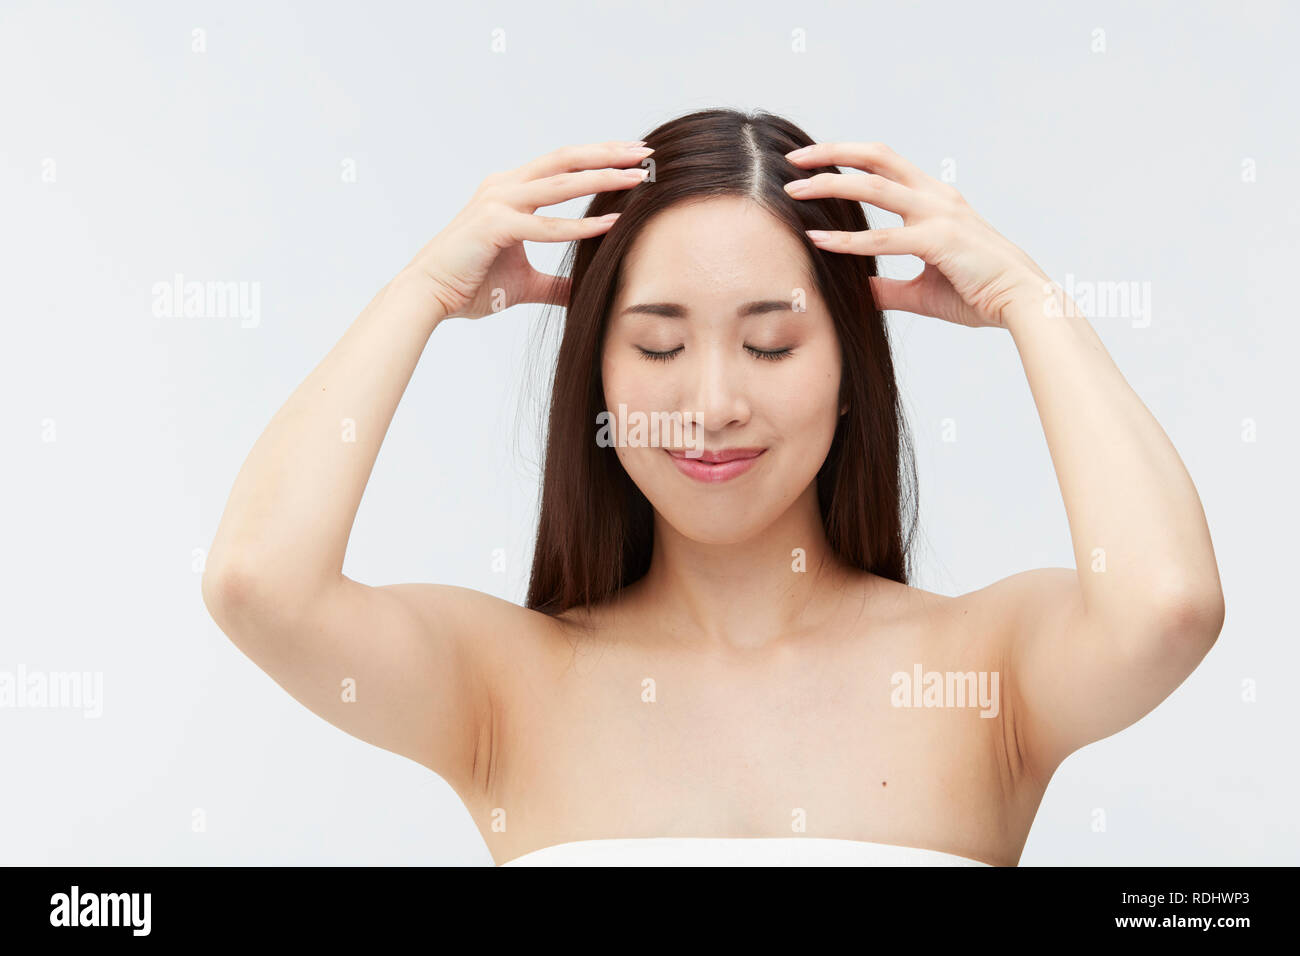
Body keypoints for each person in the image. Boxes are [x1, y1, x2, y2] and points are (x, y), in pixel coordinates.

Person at [201, 108, 1225, 866]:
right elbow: (258, 583)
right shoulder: (505, 685)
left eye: (771, 344)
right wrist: (419, 291)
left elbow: (1167, 606)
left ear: (848, 367)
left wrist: (1030, 303)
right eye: (657, 343)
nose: (712, 400)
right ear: (595, 370)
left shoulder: (981, 673)